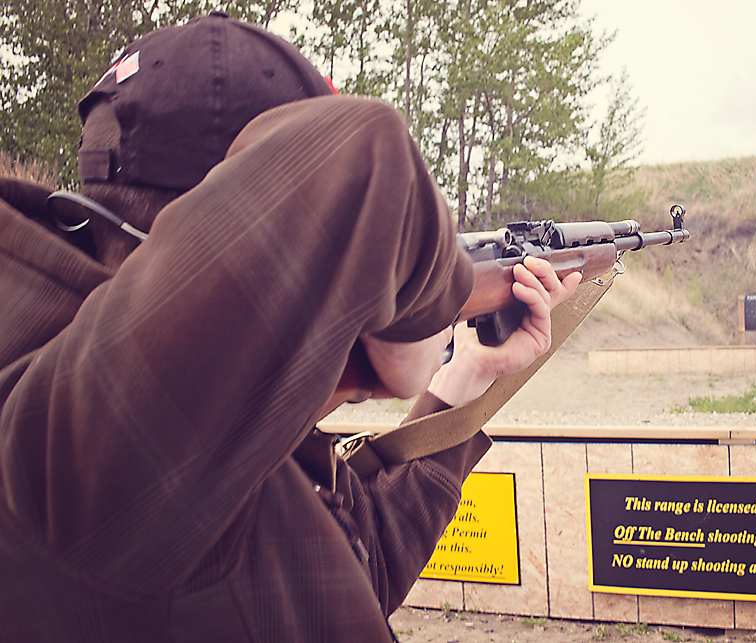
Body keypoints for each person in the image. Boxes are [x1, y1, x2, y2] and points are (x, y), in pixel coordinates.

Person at [0, 12, 580, 643]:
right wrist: (432, 304)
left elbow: (343, 568)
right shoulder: (90, 454)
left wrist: (460, 381)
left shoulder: (179, 449)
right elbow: (362, 150)